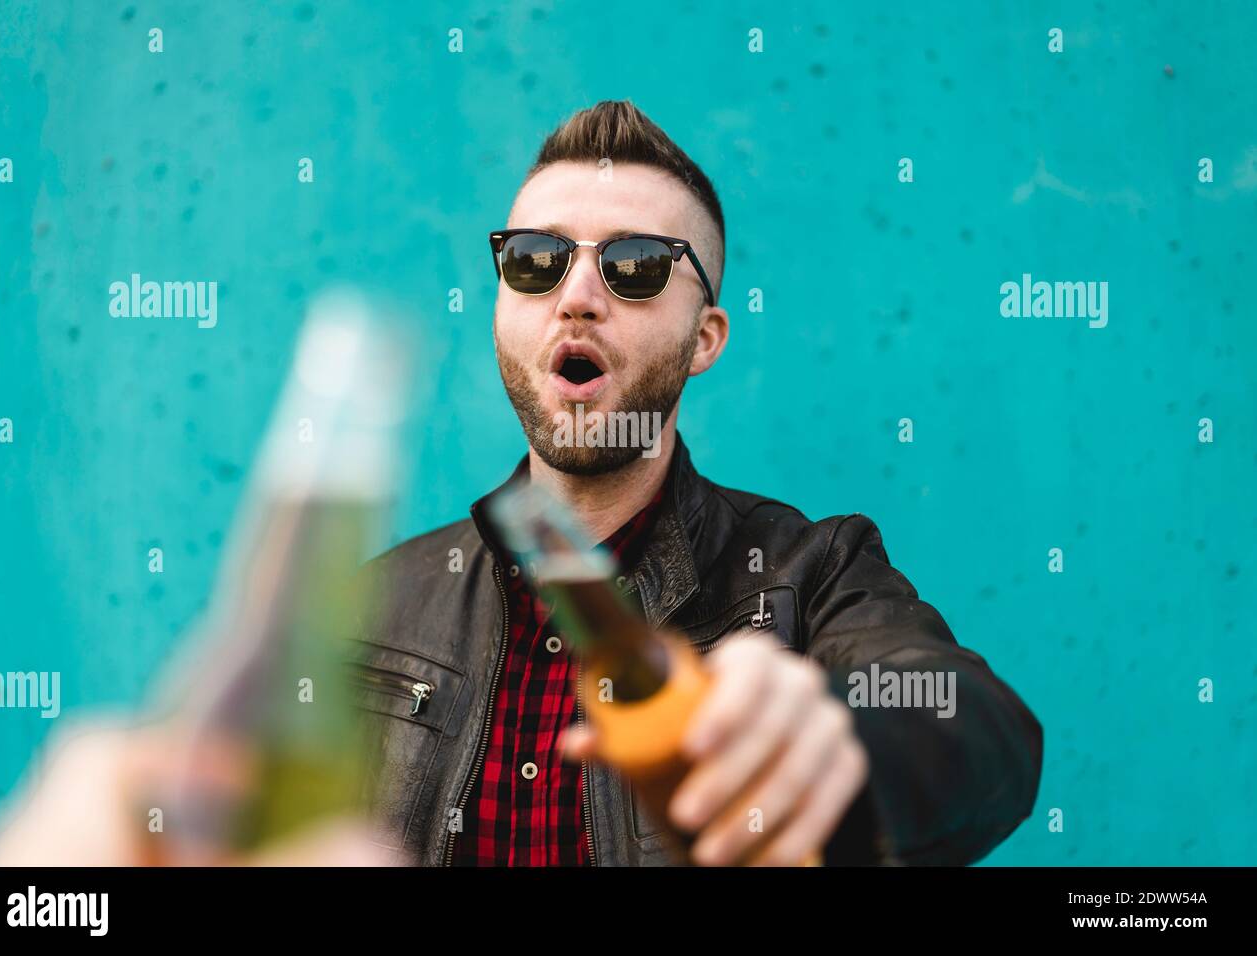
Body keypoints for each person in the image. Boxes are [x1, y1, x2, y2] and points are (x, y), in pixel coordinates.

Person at [354, 99, 1043, 867]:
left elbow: (981, 730)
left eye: (637, 266)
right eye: (536, 258)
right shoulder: (372, 604)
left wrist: (840, 741)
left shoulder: (811, 575)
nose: (576, 295)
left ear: (704, 339)